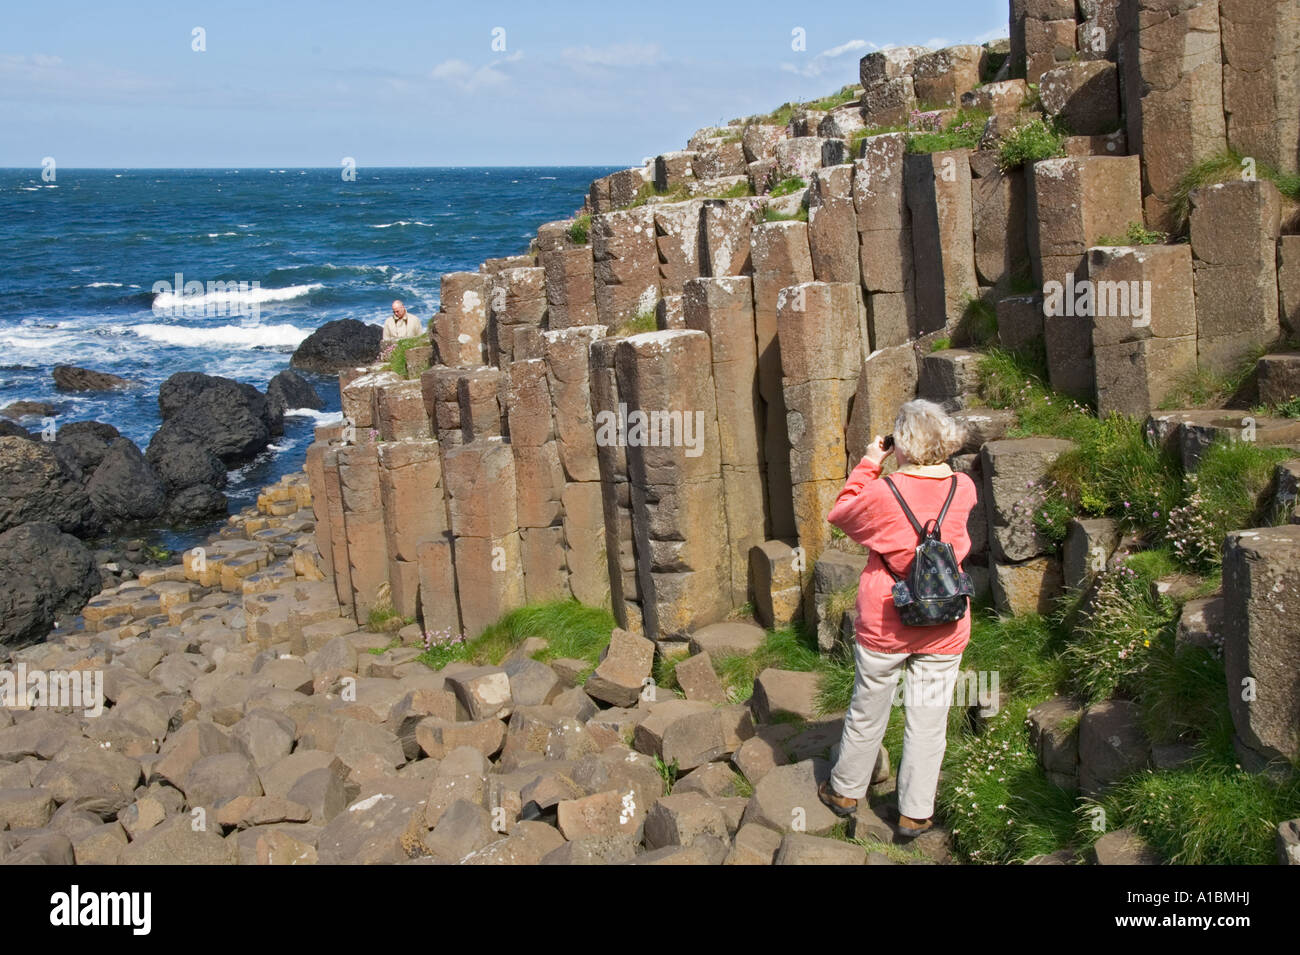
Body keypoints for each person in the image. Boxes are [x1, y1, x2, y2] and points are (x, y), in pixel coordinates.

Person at [817, 398, 978, 838]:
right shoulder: (963, 487)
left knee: (868, 709)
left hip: (887, 620)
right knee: (929, 719)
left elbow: (841, 513)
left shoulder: (884, 491)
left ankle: (846, 791)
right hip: (945, 620)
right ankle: (914, 813)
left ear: (900, 444)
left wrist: (871, 462)